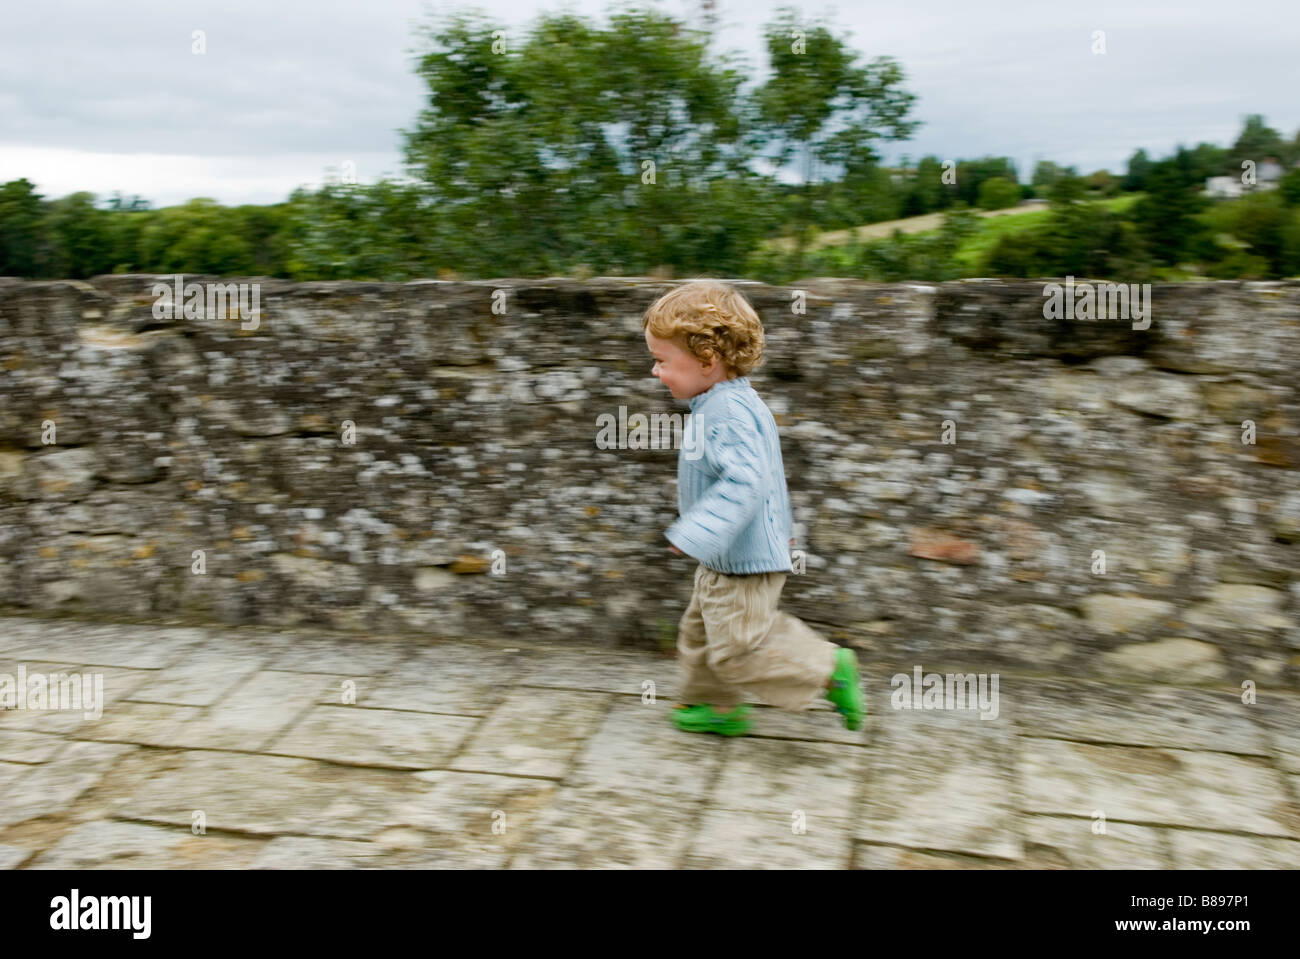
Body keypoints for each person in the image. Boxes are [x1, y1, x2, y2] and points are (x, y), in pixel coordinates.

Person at [642, 279, 865, 736]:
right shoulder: (727, 400)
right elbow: (766, 474)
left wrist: (697, 531)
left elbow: (745, 481)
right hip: (731, 554)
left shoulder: (726, 413)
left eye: (662, 361)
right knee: (702, 631)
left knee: (739, 650)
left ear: (707, 359)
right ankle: (716, 706)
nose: (655, 371)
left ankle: (827, 668)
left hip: (740, 560)